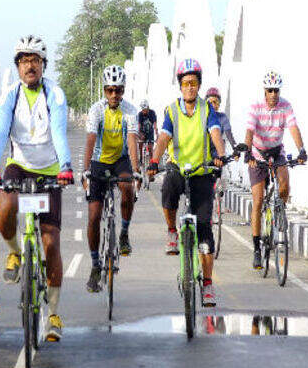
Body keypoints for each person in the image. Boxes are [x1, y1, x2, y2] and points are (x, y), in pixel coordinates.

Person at [0, 35, 74, 342]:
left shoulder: (55, 94)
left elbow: (60, 133)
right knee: (6, 206)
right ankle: (15, 253)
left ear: (43, 64)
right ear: (18, 67)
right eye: (24, 61)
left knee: (50, 243)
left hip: (50, 169)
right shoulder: (10, 95)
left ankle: (52, 314)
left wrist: (65, 166)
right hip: (19, 164)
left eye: (34, 60)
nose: (29, 66)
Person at [145, 59, 228, 307]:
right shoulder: (171, 111)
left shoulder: (207, 110)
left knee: (204, 230)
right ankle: (172, 231)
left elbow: (215, 132)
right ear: (180, 87)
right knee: (168, 187)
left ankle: (208, 284)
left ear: (199, 85)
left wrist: (221, 155)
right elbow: (163, 137)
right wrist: (154, 159)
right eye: (185, 84)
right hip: (179, 168)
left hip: (202, 171)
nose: (190, 88)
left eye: (194, 83)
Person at [82, 65, 140, 294]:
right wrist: (85, 171)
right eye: (109, 90)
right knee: (94, 215)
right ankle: (96, 265)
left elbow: (133, 141)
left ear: (123, 90)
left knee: (127, 187)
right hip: (99, 161)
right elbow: (90, 140)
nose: (114, 95)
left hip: (120, 160)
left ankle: (124, 233)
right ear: (104, 91)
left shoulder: (130, 110)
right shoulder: (96, 110)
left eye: (118, 90)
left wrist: (136, 171)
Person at [244, 70, 307, 270]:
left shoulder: (285, 106)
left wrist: (302, 149)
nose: (273, 94)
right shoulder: (255, 107)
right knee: (258, 199)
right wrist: (247, 153)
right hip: (257, 153)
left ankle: (280, 210)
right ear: (264, 91)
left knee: (285, 185)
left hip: (276, 151)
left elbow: (293, 128)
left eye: (276, 91)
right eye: (270, 91)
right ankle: (256, 249)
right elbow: (249, 131)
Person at [137, 99, 158, 179]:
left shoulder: (152, 113)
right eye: (142, 110)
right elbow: (138, 125)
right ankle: (141, 159)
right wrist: (139, 134)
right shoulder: (140, 114)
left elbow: (155, 125)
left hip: (150, 133)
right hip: (142, 132)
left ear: (148, 108)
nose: (144, 112)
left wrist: (157, 134)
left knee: (150, 148)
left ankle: (151, 166)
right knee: (140, 144)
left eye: (145, 110)